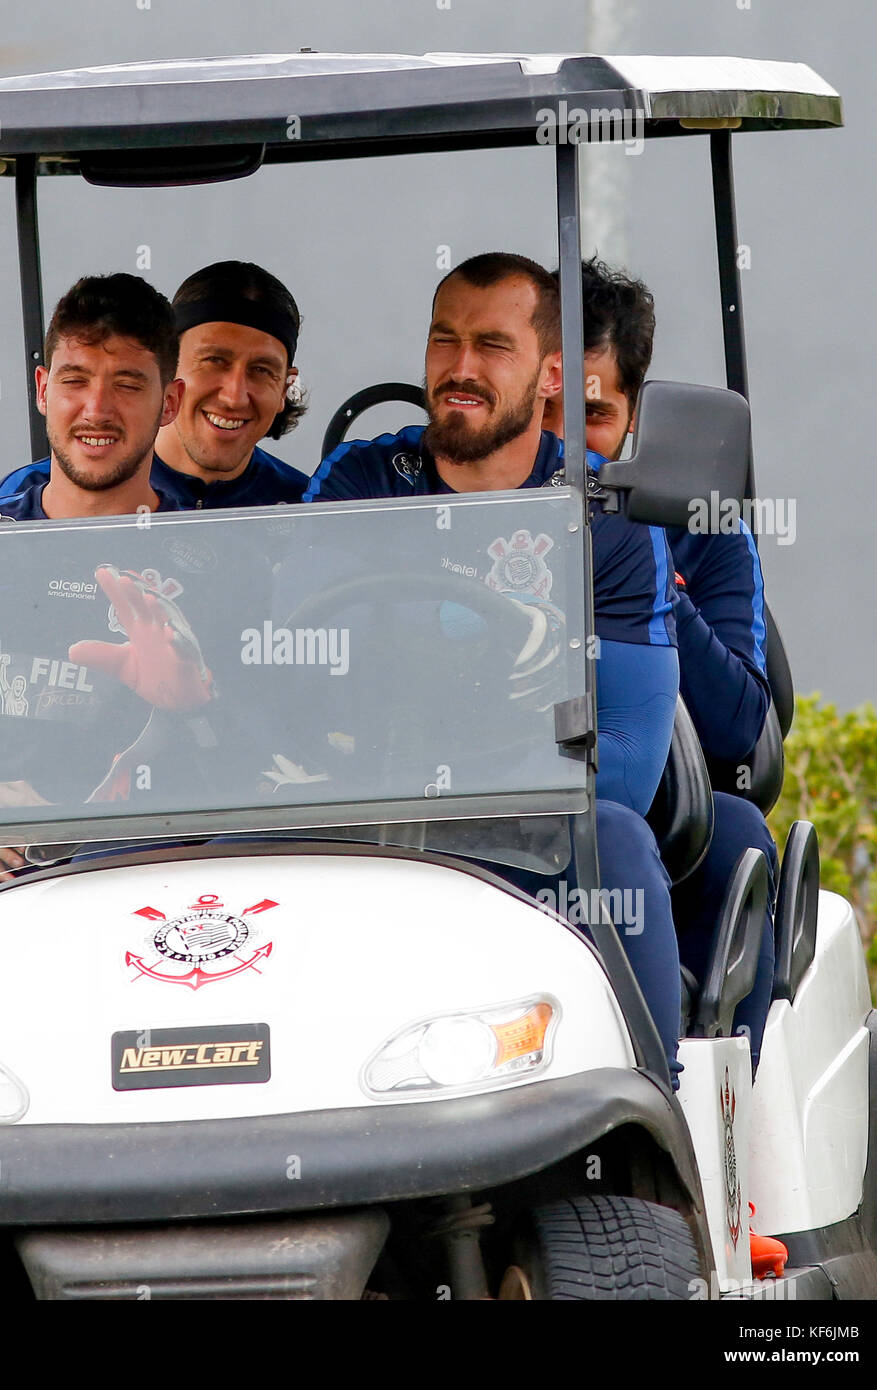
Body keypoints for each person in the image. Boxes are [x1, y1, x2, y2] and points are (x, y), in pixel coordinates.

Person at [0, 273, 269, 1041]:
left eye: (127, 384)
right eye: (75, 380)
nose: (95, 410)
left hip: (159, 915)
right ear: (40, 389)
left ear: (166, 402)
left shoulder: (228, 569)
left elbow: (279, 777)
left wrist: (192, 703)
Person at [304, 251, 685, 1083]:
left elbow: (625, 760)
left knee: (615, 840)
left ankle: (657, 1126)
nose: (460, 369)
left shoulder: (608, 516)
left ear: (551, 372)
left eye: (491, 345)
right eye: (444, 341)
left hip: (522, 831)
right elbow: (286, 677)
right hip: (361, 821)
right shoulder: (361, 479)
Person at [542, 258, 778, 1072]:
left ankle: (716, 1104)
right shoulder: (467, 506)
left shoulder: (696, 523)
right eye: (541, 410)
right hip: (485, 798)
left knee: (737, 829)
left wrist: (648, 583)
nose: (561, 445)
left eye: (590, 416)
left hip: (646, 810)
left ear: (637, 418)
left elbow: (742, 730)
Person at [0, 261, 309, 507]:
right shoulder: (35, 492)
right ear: (170, 372)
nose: (234, 396)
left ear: (284, 387)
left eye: (261, 370)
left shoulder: (305, 506)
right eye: (214, 361)